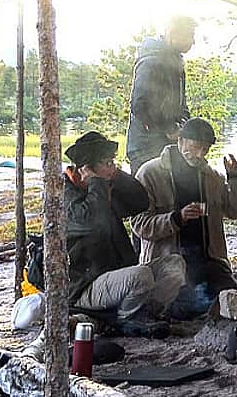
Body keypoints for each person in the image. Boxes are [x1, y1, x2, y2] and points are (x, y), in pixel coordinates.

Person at [63, 131, 185, 332]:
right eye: (107, 162)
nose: (113, 167)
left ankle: (146, 313)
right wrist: (96, 183)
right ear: (87, 168)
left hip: (115, 277)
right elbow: (93, 222)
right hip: (86, 286)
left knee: (174, 265)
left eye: (113, 162)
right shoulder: (66, 195)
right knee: (141, 275)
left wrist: (114, 176)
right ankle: (121, 322)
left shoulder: (104, 187)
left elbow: (139, 201)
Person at [131, 118, 237, 316]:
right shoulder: (150, 174)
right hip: (169, 264)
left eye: (205, 149)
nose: (200, 154)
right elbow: (139, 225)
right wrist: (176, 218)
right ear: (181, 141)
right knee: (186, 310)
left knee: (236, 301)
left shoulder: (213, 177)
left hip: (209, 261)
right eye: (195, 147)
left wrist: (236, 178)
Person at [126, 16, 197, 176]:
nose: (193, 42)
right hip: (146, 147)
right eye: (190, 35)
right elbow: (139, 105)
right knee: (148, 198)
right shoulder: (152, 61)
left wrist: (186, 126)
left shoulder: (174, 61)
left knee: (171, 196)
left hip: (164, 144)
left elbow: (180, 104)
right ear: (172, 33)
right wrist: (169, 128)